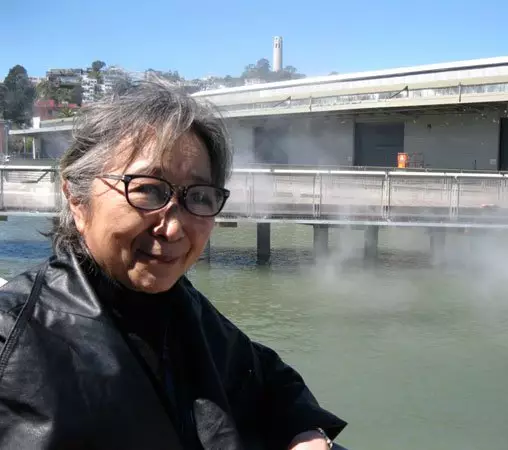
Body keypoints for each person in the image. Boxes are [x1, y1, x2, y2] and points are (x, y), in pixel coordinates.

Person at [0, 79, 347, 449]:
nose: (175, 227)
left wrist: (307, 432)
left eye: (198, 196)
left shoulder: (186, 310)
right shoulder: (13, 336)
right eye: (148, 189)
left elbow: (269, 380)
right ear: (76, 198)